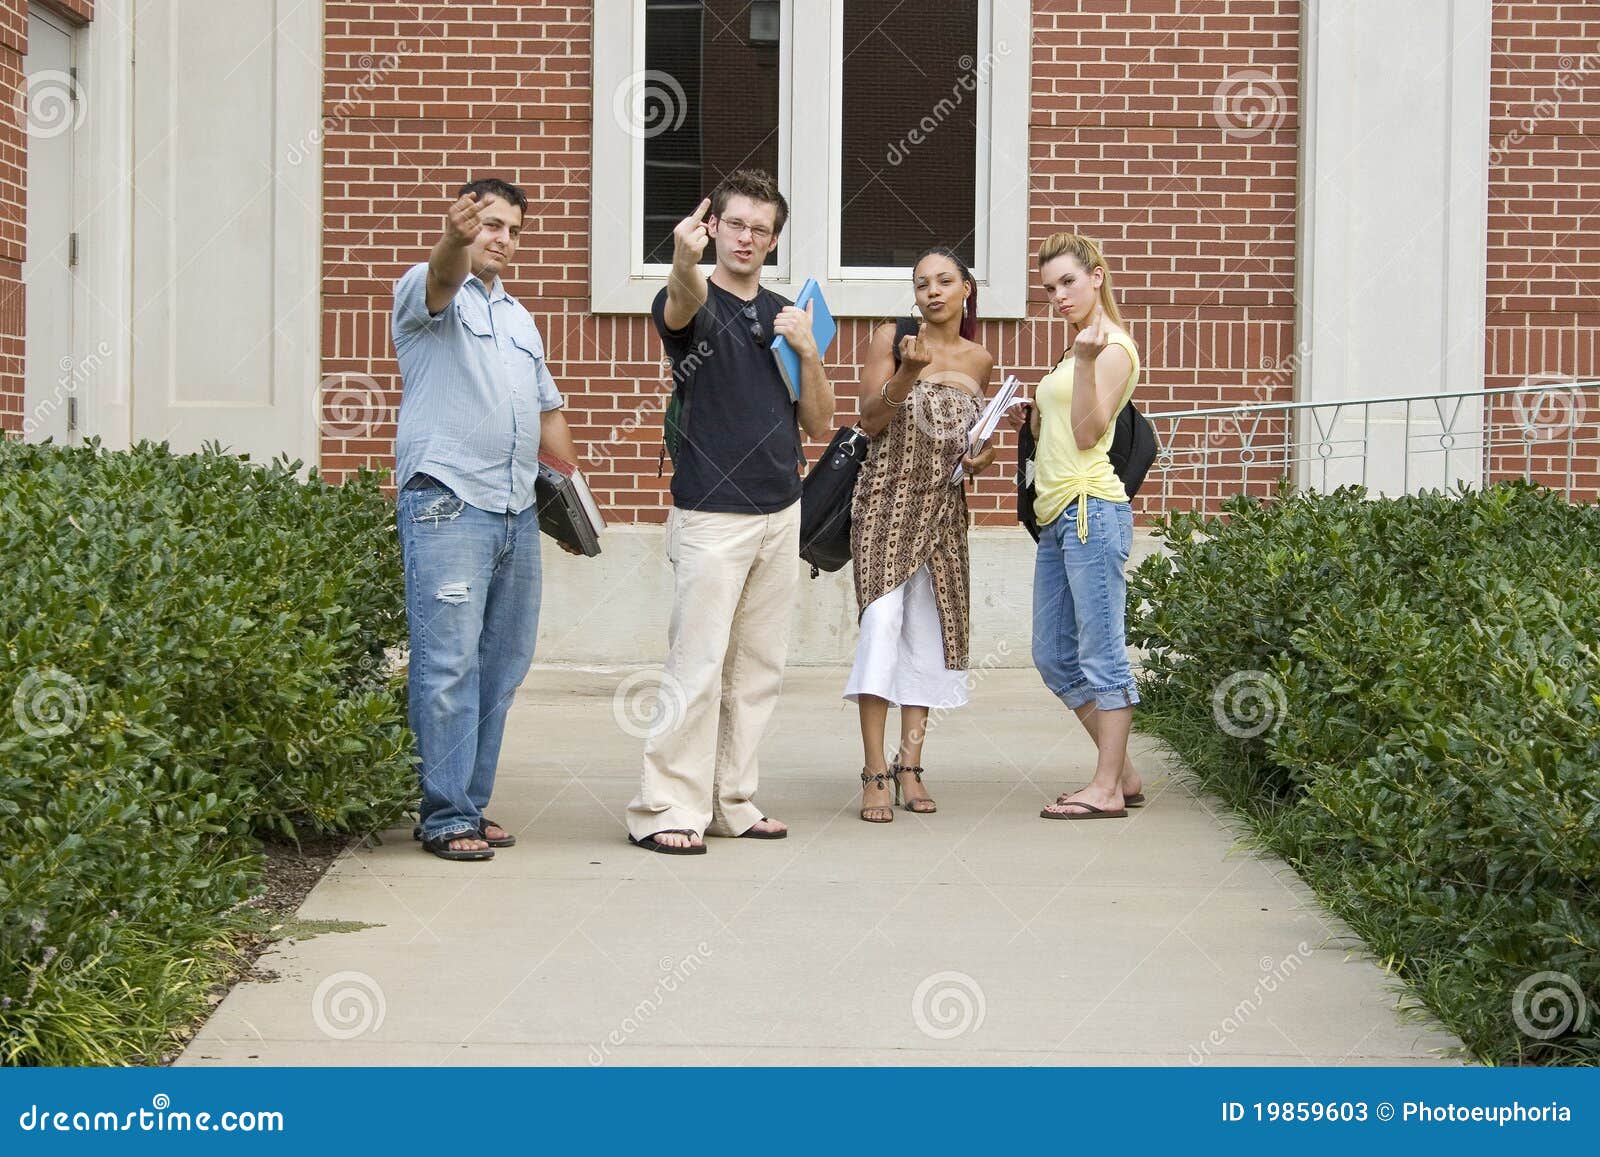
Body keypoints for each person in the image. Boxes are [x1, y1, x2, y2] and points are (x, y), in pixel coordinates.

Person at [625, 169, 836, 854]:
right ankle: (664, 808)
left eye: (761, 228)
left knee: (756, 671)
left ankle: (730, 799)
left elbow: (818, 421)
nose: (748, 237)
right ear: (713, 225)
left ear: (774, 240)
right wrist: (683, 260)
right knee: (696, 666)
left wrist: (808, 350)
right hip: (712, 515)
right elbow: (681, 303)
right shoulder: (692, 298)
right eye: (736, 223)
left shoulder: (785, 313)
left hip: (781, 511)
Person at [391, 178, 583, 861]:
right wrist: (451, 239)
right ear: (466, 223)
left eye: (512, 229)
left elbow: (547, 410)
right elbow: (445, 272)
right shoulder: (427, 289)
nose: (501, 237)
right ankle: (445, 816)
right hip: (448, 502)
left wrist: (577, 503)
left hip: (514, 511)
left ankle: (470, 803)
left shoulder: (520, 320)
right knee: (447, 663)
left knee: (500, 663)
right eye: (489, 223)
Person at [847, 249, 996, 823]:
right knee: (881, 629)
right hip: (885, 501)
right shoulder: (893, 337)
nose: (931, 292)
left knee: (928, 640)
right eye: (921, 284)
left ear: (966, 288)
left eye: (943, 281)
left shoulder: (980, 359)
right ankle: (873, 770)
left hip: (943, 510)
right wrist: (908, 371)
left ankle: (909, 766)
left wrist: (979, 459)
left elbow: (964, 442)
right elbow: (870, 419)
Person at [1028, 232, 1145, 820]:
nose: (1059, 296)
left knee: (1102, 655)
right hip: (1056, 518)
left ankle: (1104, 790)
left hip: (1090, 512)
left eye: (1068, 281)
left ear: (1097, 275)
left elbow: (1085, 434)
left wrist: (1086, 361)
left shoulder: (1114, 348)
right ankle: (1121, 772)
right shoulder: (1079, 347)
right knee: (1052, 654)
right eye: (1050, 288)